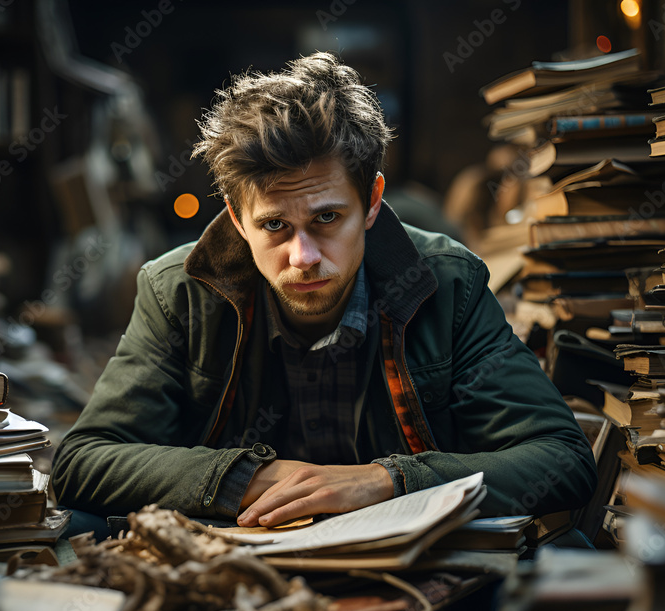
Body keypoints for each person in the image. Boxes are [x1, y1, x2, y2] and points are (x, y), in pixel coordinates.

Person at [52, 52, 596, 530]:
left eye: (327, 218)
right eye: (274, 226)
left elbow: (563, 459)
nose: (304, 257)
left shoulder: (448, 282)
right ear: (237, 219)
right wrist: (250, 477)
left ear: (372, 201)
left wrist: (385, 481)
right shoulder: (179, 292)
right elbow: (82, 463)